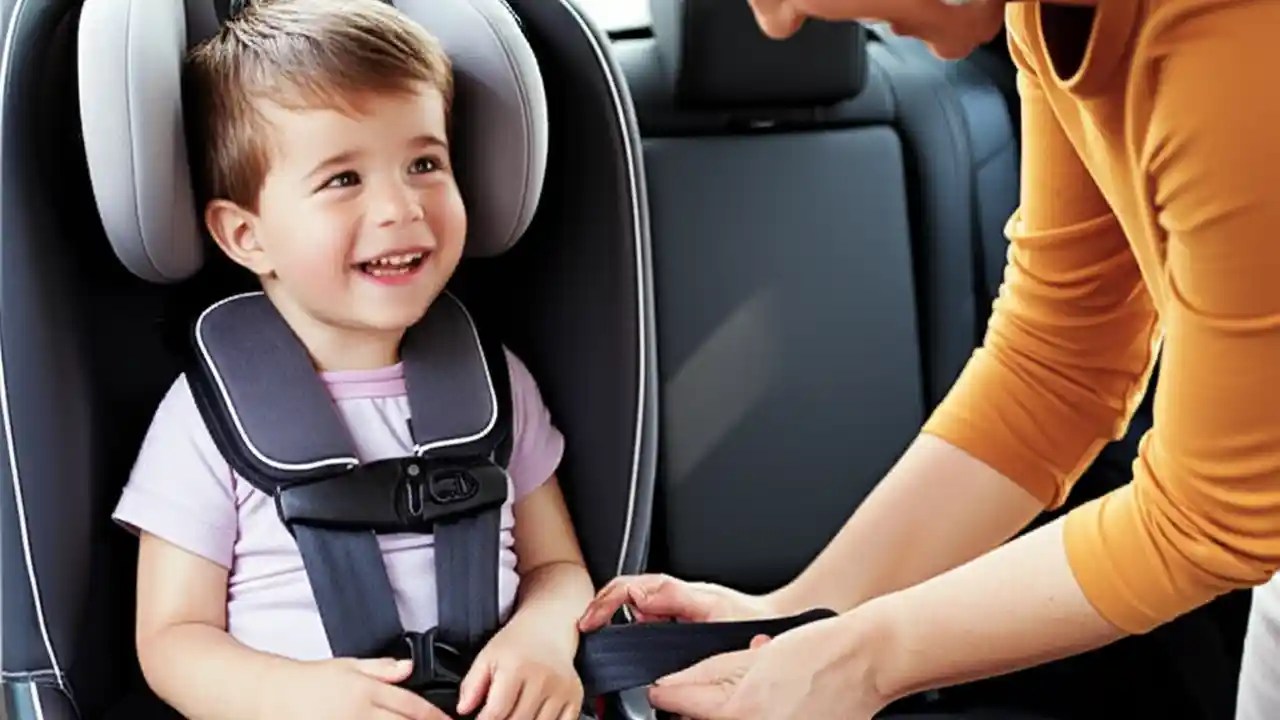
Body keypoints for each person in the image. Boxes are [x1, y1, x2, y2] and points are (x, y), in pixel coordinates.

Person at [579, 0, 1280, 718]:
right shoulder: (1042, 17)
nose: (778, 26)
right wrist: (799, 617)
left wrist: (866, 660)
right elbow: (1059, 360)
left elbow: (1215, 511)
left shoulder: (1231, 34)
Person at [110, 2, 594, 719]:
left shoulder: (495, 386)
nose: (402, 207)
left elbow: (558, 567)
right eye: (343, 179)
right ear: (247, 236)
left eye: (425, 163)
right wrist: (292, 696)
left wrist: (542, 639)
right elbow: (172, 638)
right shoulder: (207, 417)